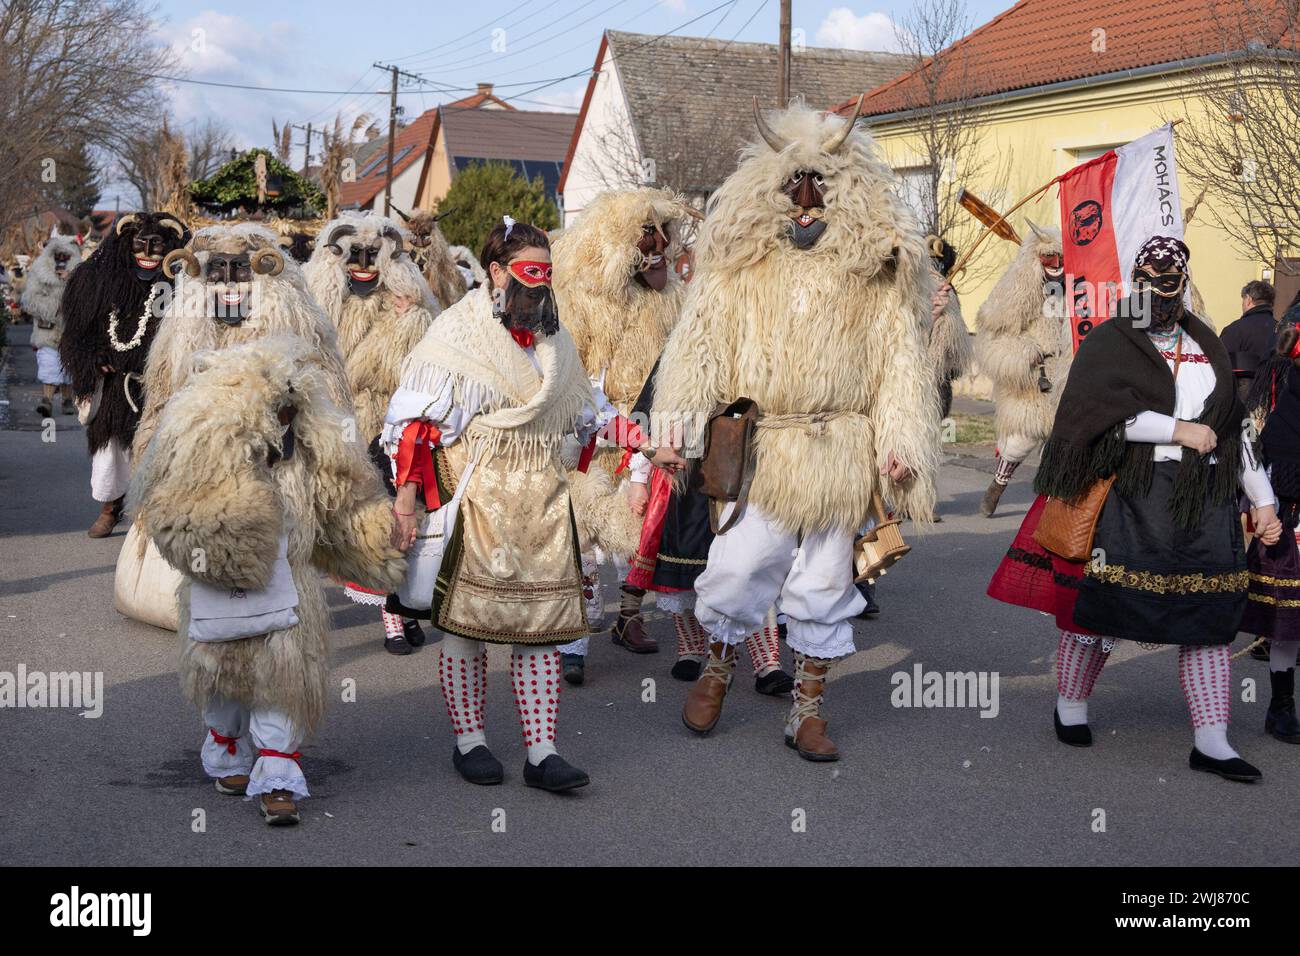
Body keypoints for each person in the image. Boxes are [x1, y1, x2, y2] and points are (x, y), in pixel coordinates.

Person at [651, 98, 940, 762]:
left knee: (825, 585)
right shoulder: (739, 268)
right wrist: (675, 429)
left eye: (821, 186)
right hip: (766, 448)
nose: (806, 199)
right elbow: (698, 352)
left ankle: (807, 708)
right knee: (739, 566)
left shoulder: (873, 274)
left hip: (842, 451)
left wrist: (899, 447)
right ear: (769, 191)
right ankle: (719, 665)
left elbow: (897, 364)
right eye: (793, 185)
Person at [989, 235, 1279, 782]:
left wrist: (1263, 500)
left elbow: (1233, 427)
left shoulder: (1207, 343)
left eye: (1172, 281)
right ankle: (1070, 706)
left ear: (1184, 284)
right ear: (1134, 284)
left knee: (1208, 620)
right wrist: (1177, 429)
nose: (1161, 292)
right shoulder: (1110, 342)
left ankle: (1212, 741)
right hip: (1133, 492)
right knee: (1102, 612)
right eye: (1149, 280)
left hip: (1204, 499)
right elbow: (1093, 417)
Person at [131, 337, 406, 825]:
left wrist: (379, 539)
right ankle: (227, 748)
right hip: (220, 584)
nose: (282, 421)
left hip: (292, 588)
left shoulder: (314, 448)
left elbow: (342, 505)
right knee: (221, 677)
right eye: (273, 411)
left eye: (289, 410)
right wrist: (228, 536)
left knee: (283, 679)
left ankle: (278, 776)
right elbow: (169, 510)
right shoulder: (202, 447)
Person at [384, 218, 615, 792]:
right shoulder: (456, 334)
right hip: (478, 497)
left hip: (541, 500)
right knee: (467, 630)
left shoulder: (557, 339)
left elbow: (585, 414)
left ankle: (542, 753)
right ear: (496, 273)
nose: (541, 285)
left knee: (537, 630)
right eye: (530, 272)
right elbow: (414, 426)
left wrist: (641, 441)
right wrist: (407, 506)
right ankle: (471, 742)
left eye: (547, 273)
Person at [304, 212, 440, 655]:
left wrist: (409, 320)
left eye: (372, 256)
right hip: (340, 427)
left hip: (391, 424)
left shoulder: (403, 304)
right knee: (359, 518)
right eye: (353, 256)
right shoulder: (321, 309)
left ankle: (399, 608)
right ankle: (392, 613)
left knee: (403, 514)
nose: (363, 266)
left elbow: (415, 366)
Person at [59, 212, 191, 537]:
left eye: (156, 247)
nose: (147, 255)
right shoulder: (98, 281)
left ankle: (156, 513)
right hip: (114, 384)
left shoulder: (183, 287)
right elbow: (77, 333)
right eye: (140, 246)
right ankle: (110, 506)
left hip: (160, 383)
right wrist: (92, 357)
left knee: (161, 446)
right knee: (110, 449)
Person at [974, 222, 1069, 517]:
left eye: (1060, 259)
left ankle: (1056, 503)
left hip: (1067, 373)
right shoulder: (1017, 291)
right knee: (1019, 442)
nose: (1056, 266)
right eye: (1049, 259)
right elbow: (995, 332)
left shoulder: (1075, 289)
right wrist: (1025, 353)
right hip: (1035, 378)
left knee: (1066, 442)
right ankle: (998, 485)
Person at [1241, 325, 1300, 743]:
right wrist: (1268, 510)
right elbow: (1262, 461)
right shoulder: (1288, 409)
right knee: (1288, 622)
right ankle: (1281, 707)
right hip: (1291, 517)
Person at [22, 235, 81, 418]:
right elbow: (29, 300)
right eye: (58, 256)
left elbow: (85, 299)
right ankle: (46, 400)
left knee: (68, 366)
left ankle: (67, 399)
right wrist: (54, 307)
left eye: (65, 257)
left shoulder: (80, 274)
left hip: (70, 330)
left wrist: (69, 281)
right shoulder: (39, 271)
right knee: (49, 364)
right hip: (46, 328)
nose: (61, 260)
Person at [1221, 279, 1277, 401]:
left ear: (1249, 300)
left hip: (1242, 404)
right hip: (1276, 402)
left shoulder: (1233, 330)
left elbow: (1220, 368)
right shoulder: (1282, 330)